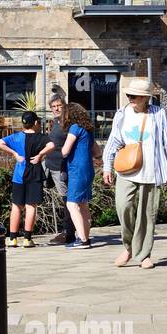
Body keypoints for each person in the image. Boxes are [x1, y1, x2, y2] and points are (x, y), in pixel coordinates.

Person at [101, 78, 167, 269]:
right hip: (126, 169)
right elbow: (113, 141)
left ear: (145, 98)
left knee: (147, 214)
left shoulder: (158, 114)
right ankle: (129, 247)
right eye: (129, 95)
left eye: (134, 96)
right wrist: (107, 166)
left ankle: (143, 254)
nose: (130, 98)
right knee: (124, 206)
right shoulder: (122, 114)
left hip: (151, 171)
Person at [0, 112, 55, 248]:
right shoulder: (41, 137)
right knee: (31, 206)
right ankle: (27, 239)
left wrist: (15, 153)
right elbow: (51, 146)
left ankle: (12, 239)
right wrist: (40, 155)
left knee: (16, 206)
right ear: (35, 123)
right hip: (35, 174)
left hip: (19, 174)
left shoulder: (16, 137)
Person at [55, 97, 99, 250]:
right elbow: (97, 152)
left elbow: (65, 151)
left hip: (77, 170)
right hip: (88, 169)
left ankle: (83, 240)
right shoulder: (88, 129)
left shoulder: (74, 128)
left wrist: (62, 150)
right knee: (83, 204)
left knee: (72, 203)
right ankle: (86, 237)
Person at [44, 95, 79, 245]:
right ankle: (69, 230)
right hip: (52, 164)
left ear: (64, 106)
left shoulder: (68, 123)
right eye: (54, 106)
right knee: (64, 198)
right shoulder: (57, 122)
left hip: (62, 166)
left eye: (59, 105)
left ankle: (68, 231)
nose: (57, 108)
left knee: (67, 199)